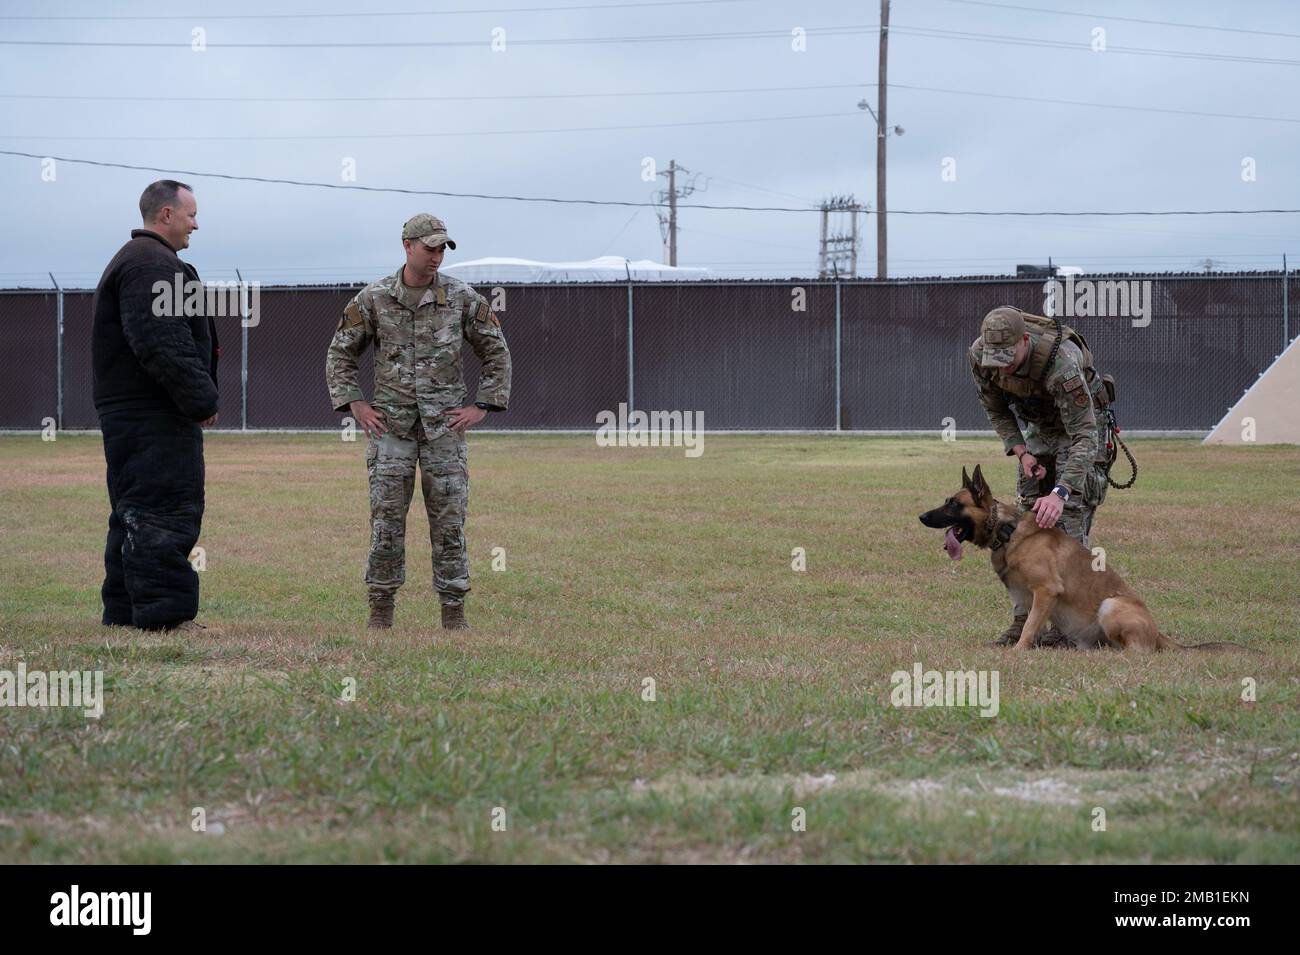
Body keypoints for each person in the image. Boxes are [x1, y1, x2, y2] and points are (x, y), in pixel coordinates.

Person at [325, 214, 511, 630]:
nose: (437, 257)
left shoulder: (462, 299)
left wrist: (482, 405)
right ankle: (380, 609)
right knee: (387, 520)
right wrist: (354, 403)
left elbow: (496, 352)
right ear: (407, 246)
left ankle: (453, 611)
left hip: (445, 429)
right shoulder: (372, 299)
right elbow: (340, 353)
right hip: (391, 429)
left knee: (449, 520)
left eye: (443, 248)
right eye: (430, 248)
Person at [92, 180, 219, 632]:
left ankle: (126, 611)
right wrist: (200, 397)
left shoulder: (145, 261)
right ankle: (163, 616)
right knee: (165, 508)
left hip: (134, 411)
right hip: (153, 412)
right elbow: (162, 341)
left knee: (133, 509)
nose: (196, 224)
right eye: (190, 215)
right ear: (166, 215)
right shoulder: (151, 265)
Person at [969, 306, 1114, 647]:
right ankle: (1023, 625)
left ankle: (1069, 629)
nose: (1002, 365)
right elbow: (996, 408)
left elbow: (1084, 435)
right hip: (1037, 432)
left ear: (1024, 341)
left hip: (1079, 431)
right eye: (996, 358)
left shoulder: (1062, 363)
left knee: (1068, 527)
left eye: (1009, 356)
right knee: (1022, 533)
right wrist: (1022, 452)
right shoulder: (980, 356)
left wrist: (1062, 491)